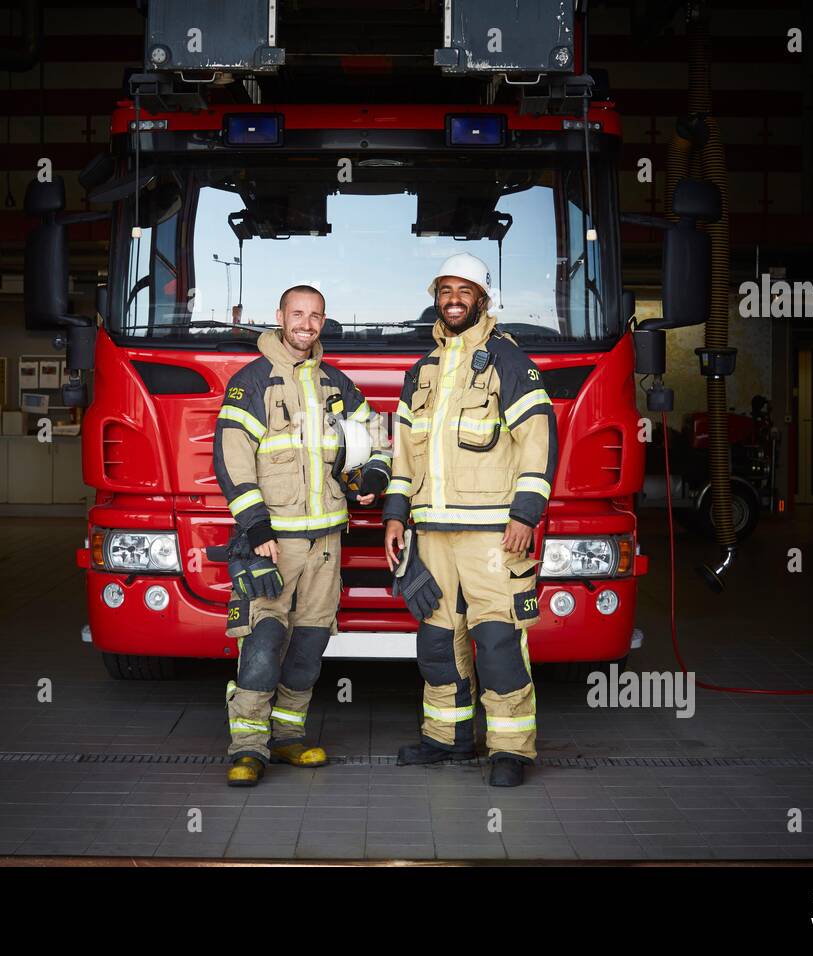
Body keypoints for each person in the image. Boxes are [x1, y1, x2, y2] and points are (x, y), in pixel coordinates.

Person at [382, 253, 558, 788]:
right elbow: (402, 456)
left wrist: (526, 514)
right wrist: (395, 516)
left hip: (493, 534)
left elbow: (538, 441)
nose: (452, 300)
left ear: (482, 299)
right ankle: (447, 738)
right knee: (437, 640)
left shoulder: (510, 362)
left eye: (464, 291)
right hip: (431, 533)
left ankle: (510, 749)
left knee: (499, 641)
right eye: (445, 291)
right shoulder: (422, 371)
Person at [214, 285, 391, 787]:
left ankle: (289, 738)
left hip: (326, 544)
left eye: (315, 316)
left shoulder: (336, 383)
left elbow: (376, 433)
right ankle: (248, 746)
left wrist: (374, 474)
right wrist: (255, 527)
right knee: (264, 643)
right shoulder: (252, 382)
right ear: (280, 317)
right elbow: (231, 458)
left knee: (309, 647)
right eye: (297, 314)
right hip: (274, 542)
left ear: (322, 322)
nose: (306, 324)